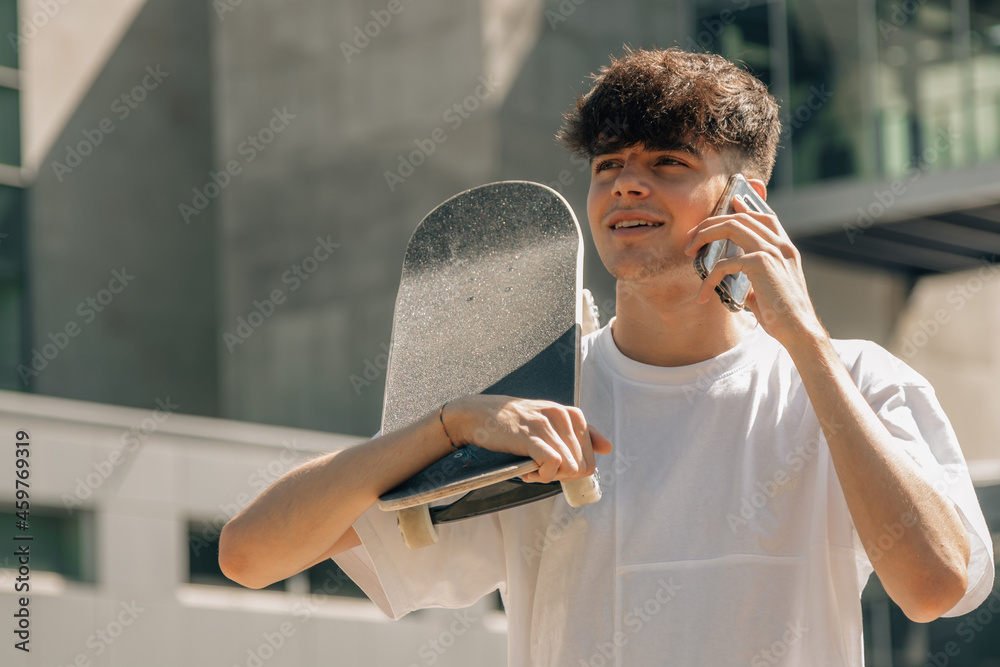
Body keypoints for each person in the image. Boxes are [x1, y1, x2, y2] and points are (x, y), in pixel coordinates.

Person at [219, 47, 994, 664]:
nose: (626, 184)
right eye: (608, 166)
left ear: (749, 201)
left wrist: (806, 341)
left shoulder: (852, 380)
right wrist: (449, 424)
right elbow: (250, 553)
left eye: (667, 163)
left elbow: (936, 584)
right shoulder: (533, 401)